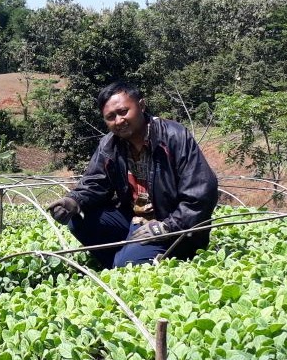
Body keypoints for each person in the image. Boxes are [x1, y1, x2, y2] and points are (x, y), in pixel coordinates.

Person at [48, 82, 218, 268]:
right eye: (111, 117)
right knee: (78, 219)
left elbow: (201, 192)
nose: (119, 121)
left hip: (172, 227)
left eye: (123, 111)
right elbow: (95, 183)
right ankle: (122, 262)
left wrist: (168, 226)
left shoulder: (174, 137)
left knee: (125, 263)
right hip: (134, 220)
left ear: (142, 106)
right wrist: (73, 200)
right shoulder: (109, 145)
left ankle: (128, 262)